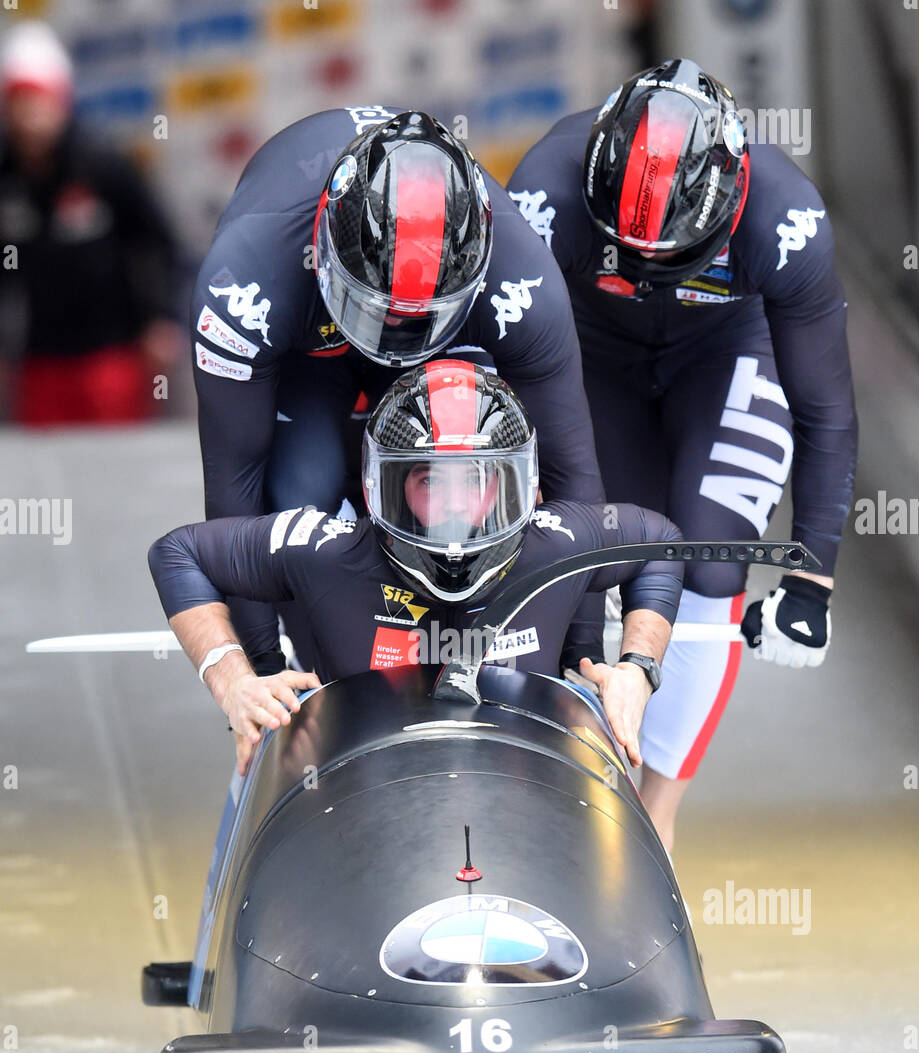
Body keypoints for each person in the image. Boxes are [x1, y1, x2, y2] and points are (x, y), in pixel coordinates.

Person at [508, 58, 857, 849]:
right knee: (598, 548)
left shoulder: (787, 218)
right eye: (629, 253)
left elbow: (825, 408)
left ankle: (654, 818)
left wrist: (811, 580)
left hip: (732, 352)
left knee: (709, 555)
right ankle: (586, 776)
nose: (648, 270)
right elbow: (505, 354)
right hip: (594, 358)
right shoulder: (545, 190)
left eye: (671, 253)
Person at [190, 107, 606, 677]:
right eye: (375, 308)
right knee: (300, 492)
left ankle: (464, 663)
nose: (391, 335)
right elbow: (234, 489)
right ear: (325, 246)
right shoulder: (244, 284)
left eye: (414, 317)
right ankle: (332, 678)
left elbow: (571, 473)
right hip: (307, 352)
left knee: (469, 474)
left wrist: (582, 659)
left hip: (445, 342)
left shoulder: (523, 281)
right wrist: (262, 672)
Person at [150, 361, 682, 774]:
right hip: (355, 791)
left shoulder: (557, 542)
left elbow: (662, 544)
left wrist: (638, 670)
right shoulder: (326, 552)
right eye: (430, 482)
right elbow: (179, 553)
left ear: (514, 488)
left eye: (474, 482)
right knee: (254, 756)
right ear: (386, 488)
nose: (453, 507)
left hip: (521, 787)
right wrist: (235, 682)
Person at [0, 22, 182, 425]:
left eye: (38, 102)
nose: (29, 118)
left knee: (115, 470)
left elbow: (158, 240)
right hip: (39, 363)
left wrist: (163, 318)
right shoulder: (6, 178)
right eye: (19, 103)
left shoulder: (101, 165)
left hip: (112, 358)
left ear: (60, 102)